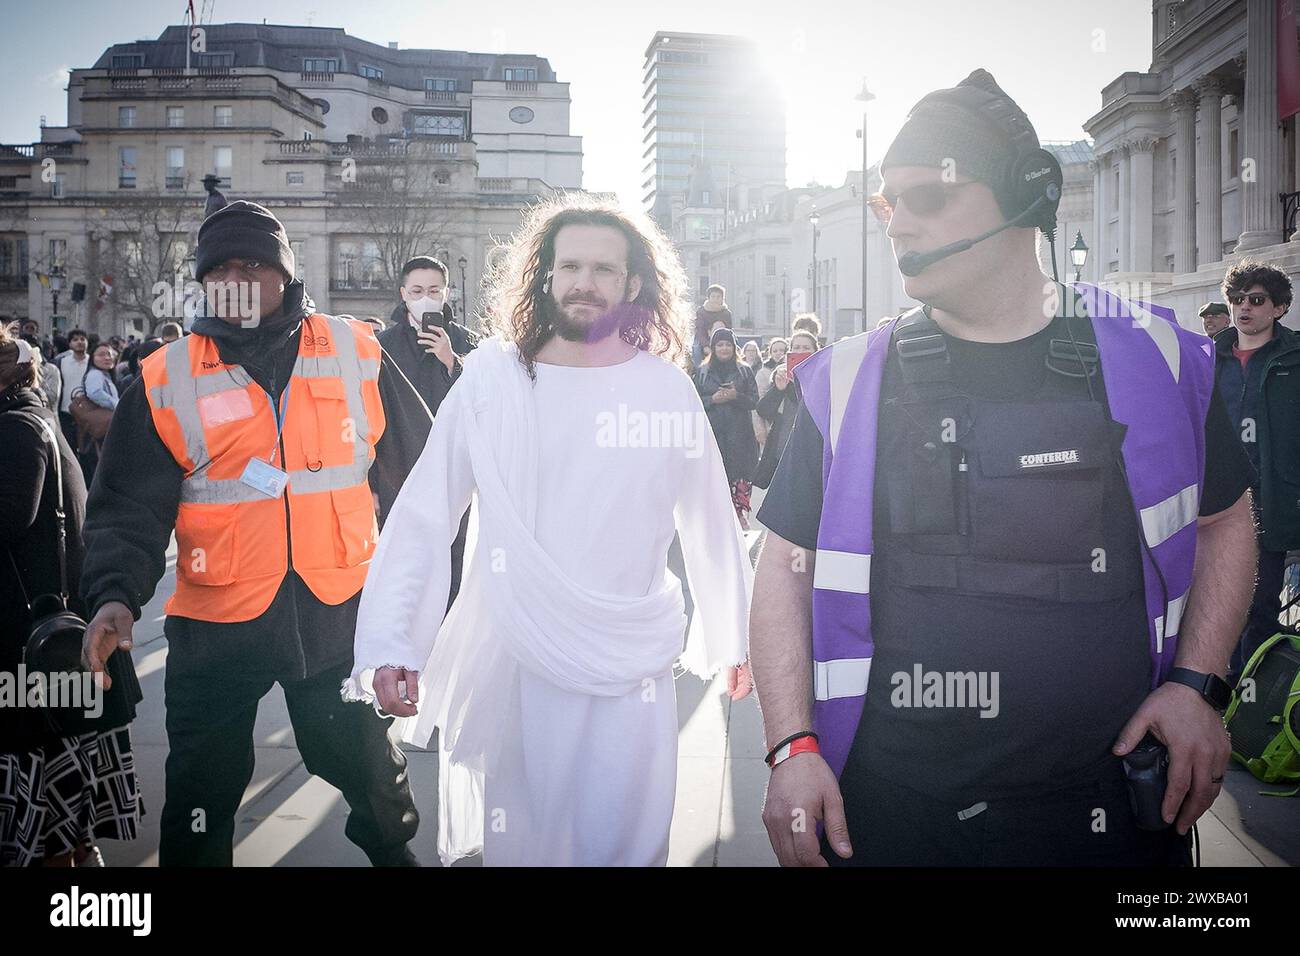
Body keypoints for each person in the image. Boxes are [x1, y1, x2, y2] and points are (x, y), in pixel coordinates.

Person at [750, 69, 1256, 868]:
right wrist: (790, 746)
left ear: (1025, 195)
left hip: (1112, 814)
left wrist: (1199, 688)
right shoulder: (848, 379)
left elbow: (1227, 522)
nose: (898, 224)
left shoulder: (1161, 359)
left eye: (930, 197)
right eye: (890, 203)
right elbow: (783, 563)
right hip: (891, 815)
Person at [344, 193, 753, 867]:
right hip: (520, 658)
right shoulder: (489, 382)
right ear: (545, 275)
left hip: (634, 662)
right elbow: (424, 515)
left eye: (602, 269)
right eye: (570, 266)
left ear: (631, 285)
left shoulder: (665, 390)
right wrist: (392, 641)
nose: (585, 283)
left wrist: (731, 634)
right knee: (528, 848)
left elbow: (709, 519)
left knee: (627, 848)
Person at [78, 200, 421, 867]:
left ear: (284, 274)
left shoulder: (356, 351)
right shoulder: (166, 375)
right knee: (200, 805)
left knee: (373, 779)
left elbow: (422, 473)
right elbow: (125, 506)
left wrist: (436, 589)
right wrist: (114, 596)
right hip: (216, 630)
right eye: (221, 267)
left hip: (336, 620)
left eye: (254, 264)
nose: (237, 277)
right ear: (202, 280)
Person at [0, 328, 143, 867]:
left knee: (43, 801)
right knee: (57, 805)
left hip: (33, 650)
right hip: (43, 648)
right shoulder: (26, 419)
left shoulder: (18, 430)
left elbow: (12, 516)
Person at [1212, 261, 1298, 677]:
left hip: (1273, 498)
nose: (1244, 306)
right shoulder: (1207, 357)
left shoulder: (1295, 357)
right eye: (1237, 298)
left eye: (1256, 299)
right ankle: (1213, 688)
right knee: (1213, 600)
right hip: (1215, 501)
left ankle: (1250, 709)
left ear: (1279, 307)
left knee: (1260, 602)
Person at [696, 327, 760, 529]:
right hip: (711, 436)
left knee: (739, 477)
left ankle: (740, 515)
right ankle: (714, 521)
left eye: (728, 345)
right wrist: (711, 400)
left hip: (740, 437)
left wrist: (736, 397)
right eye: (720, 345)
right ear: (713, 348)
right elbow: (692, 402)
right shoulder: (701, 372)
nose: (724, 349)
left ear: (734, 348)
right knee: (713, 479)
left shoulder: (745, 371)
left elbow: (754, 401)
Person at [753, 329, 817, 491]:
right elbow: (763, 410)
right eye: (796, 348)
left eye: (806, 348)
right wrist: (779, 389)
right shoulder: (781, 374)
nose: (801, 351)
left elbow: (809, 405)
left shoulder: (823, 374)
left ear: (816, 351)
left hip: (812, 450)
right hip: (783, 450)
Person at [77, 343, 120, 487]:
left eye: (109, 354)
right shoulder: (95, 374)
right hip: (98, 428)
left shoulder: (104, 375)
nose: (107, 358)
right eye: (101, 354)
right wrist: (116, 405)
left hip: (100, 427)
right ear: (92, 358)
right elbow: (94, 393)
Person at [54, 328, 89, 448]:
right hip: (66, 411)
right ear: (70, 344)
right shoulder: (61, 362)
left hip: (88, 412)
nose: (79, 342)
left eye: (82, 339)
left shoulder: (92, 362)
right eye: (75, 340)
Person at [692, 284, 733, 367]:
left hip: (720, 339)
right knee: (696, 349)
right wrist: (706, 345)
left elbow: (729, 331)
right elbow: (700, 330)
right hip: (704, 338)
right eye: (713, 296)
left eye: (718, 297)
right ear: (709, 298)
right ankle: (699, 370)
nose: (715, 299)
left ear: (722, 298)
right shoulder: (701, 311)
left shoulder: (726, 313)